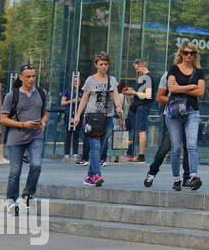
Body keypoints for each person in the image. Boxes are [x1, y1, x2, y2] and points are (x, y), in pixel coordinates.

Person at [0, 64, 47, 214]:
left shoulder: (42, 92)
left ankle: (27, 195)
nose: (32, 79)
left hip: (36, 135)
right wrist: (22, 124)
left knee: (37, 165)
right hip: (16, 136)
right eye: (28, 76)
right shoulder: (11, 95)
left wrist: (43, 121)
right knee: (15, 171)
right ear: (21, 77)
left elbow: (45, 113)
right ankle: (11, 200)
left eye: (33, 76)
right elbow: (3, 119)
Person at [73, 53, 124, 188]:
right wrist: (78, 115)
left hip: (107, 117)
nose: (103, 67)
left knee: (100, 147)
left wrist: (118, 108)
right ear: (96, 65)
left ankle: (89, 177)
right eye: (101, 64)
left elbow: (115, 96)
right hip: (92, 116)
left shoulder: (112, 80)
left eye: (106, 64)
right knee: (94, 146)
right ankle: (97, 174)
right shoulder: (90, 80)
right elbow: (84, 98)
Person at [164, 44, 206, 190]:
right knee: (176, 147)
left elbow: (201, 92)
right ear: (181, 53)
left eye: (192, 53)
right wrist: (190, 87)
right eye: (186, 53)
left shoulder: (199, 71)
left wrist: (181, 88)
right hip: (175, 111)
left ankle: (193, 176)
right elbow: (172, 89)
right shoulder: (174, 69)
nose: (189, 55)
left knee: (192, 145)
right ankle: (176, 178)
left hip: (192, 111)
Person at [144, 78, 190, 189]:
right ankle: (151, 173)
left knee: (189, 146)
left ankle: (187, 178)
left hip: (188, 115)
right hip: (172, 115)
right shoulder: (168, 75)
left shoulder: (192, 73)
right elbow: (159, 97)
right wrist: (176, 101)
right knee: (165, 146)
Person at [123, 58, 154, 162]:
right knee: (139, 130)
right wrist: (132, 93)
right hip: (139, 106)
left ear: (142, 66)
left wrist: (134, 93)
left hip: (143, 106)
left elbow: (148, 95)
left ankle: (141, 155)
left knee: (141, 130)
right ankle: (139, 155)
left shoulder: (147, 78)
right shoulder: (143, 78)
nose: (137, 71)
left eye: (137, 69)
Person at [60, 73, 82, 161]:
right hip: (69, 113)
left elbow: (85, 101)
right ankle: (67, 153)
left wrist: (80, 100)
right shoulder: (68, 91)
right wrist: (71, 101)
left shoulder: (82, 91)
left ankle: (75, 153)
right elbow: (62, 103)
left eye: (78, 81)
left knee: (76, 134)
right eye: (75, 81)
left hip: (78, 114)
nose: (77, 83)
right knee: (68, 133)